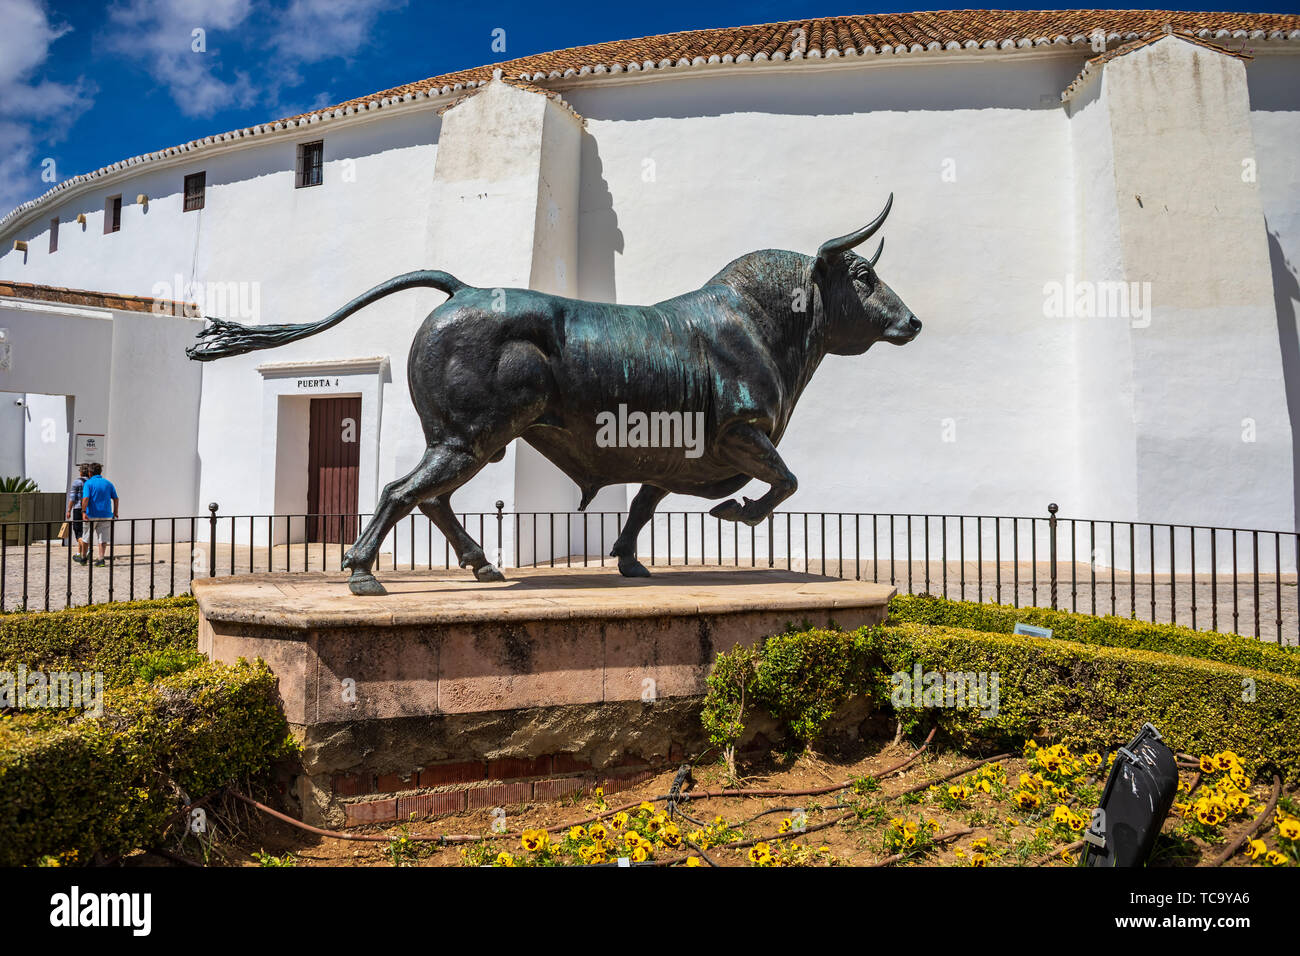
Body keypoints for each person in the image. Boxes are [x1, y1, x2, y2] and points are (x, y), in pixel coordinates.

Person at [76, 463, 118, 567]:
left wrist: (83, 512)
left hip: (91, 515)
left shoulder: (88, 483)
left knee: (86, 537)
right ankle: (101, 559)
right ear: (100, 472)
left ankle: (84, 557)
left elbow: (85, 499)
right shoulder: (108, 483)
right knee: (102, 538)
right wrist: (115, 512)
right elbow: (116, 498)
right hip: (106, 514)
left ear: (90, 473)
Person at [66, 464, 89, 556]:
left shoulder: (77, 482)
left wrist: (68, 510)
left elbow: (72, 498)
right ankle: (79, 553)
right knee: (84, 532)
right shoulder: (91, 482)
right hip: (88, 509)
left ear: (81, 472)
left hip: (78, 508)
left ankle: (87, 549)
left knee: (77, 531)